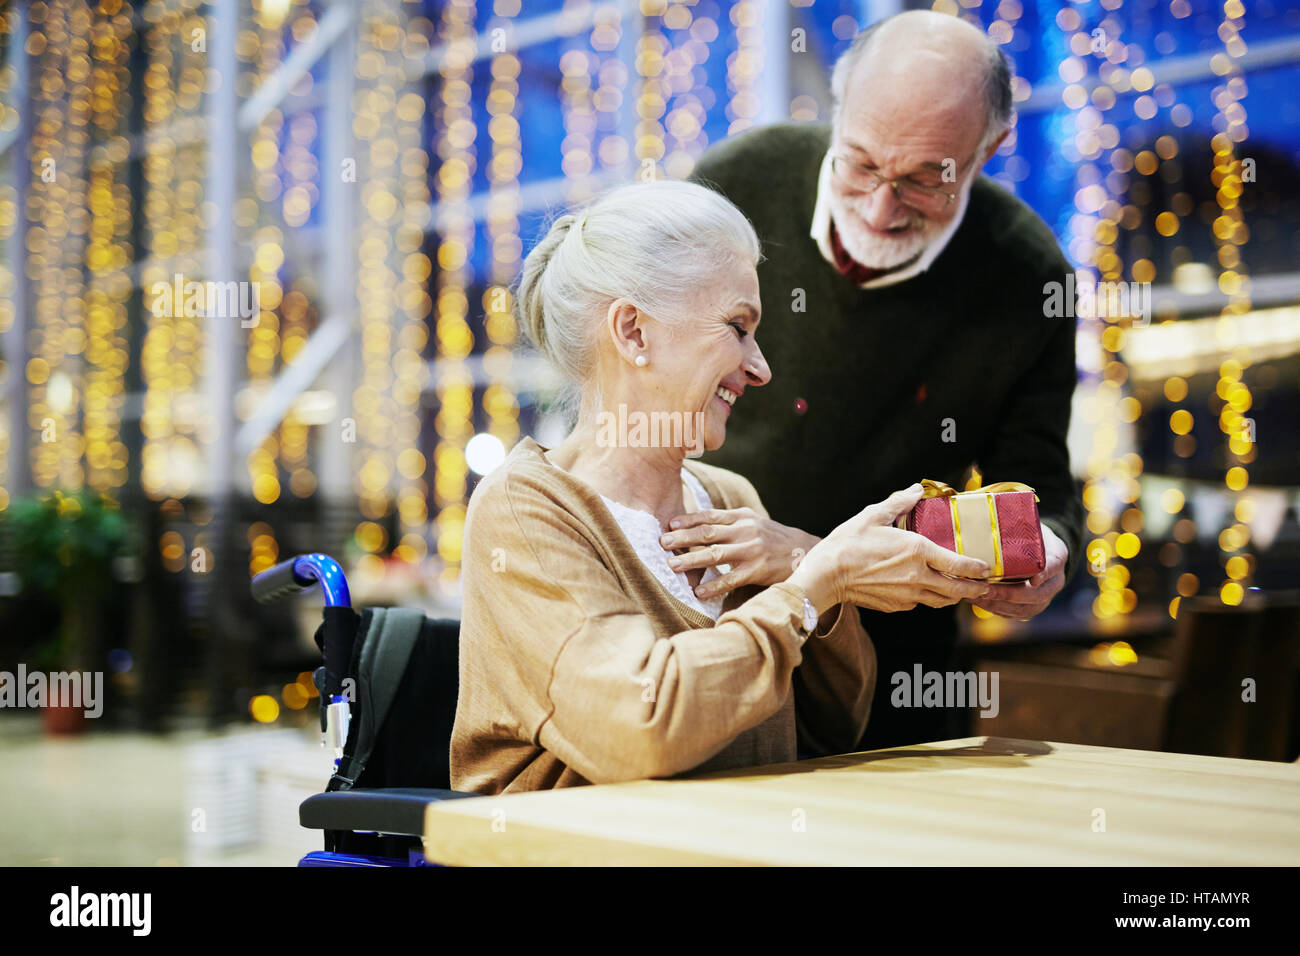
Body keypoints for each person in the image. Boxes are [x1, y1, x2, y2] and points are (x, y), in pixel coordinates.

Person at [450, 180, 992, 794]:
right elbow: (643, 727)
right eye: (737, 327)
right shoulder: (525, 510)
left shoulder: (731, 499)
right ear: (633, 332)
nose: (761, 368)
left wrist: (810, 564)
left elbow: (830, 729)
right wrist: (813, 588)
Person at [687, 10, 1085, 749]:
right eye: (861, 163)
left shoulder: (1029, 278)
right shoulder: (739, 182)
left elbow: (1039, 486)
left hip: (895, 682)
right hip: (705, 625)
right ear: (838, 114)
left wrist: (1047, 548)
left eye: (922, 180)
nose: (878, 207)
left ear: (990, 149)